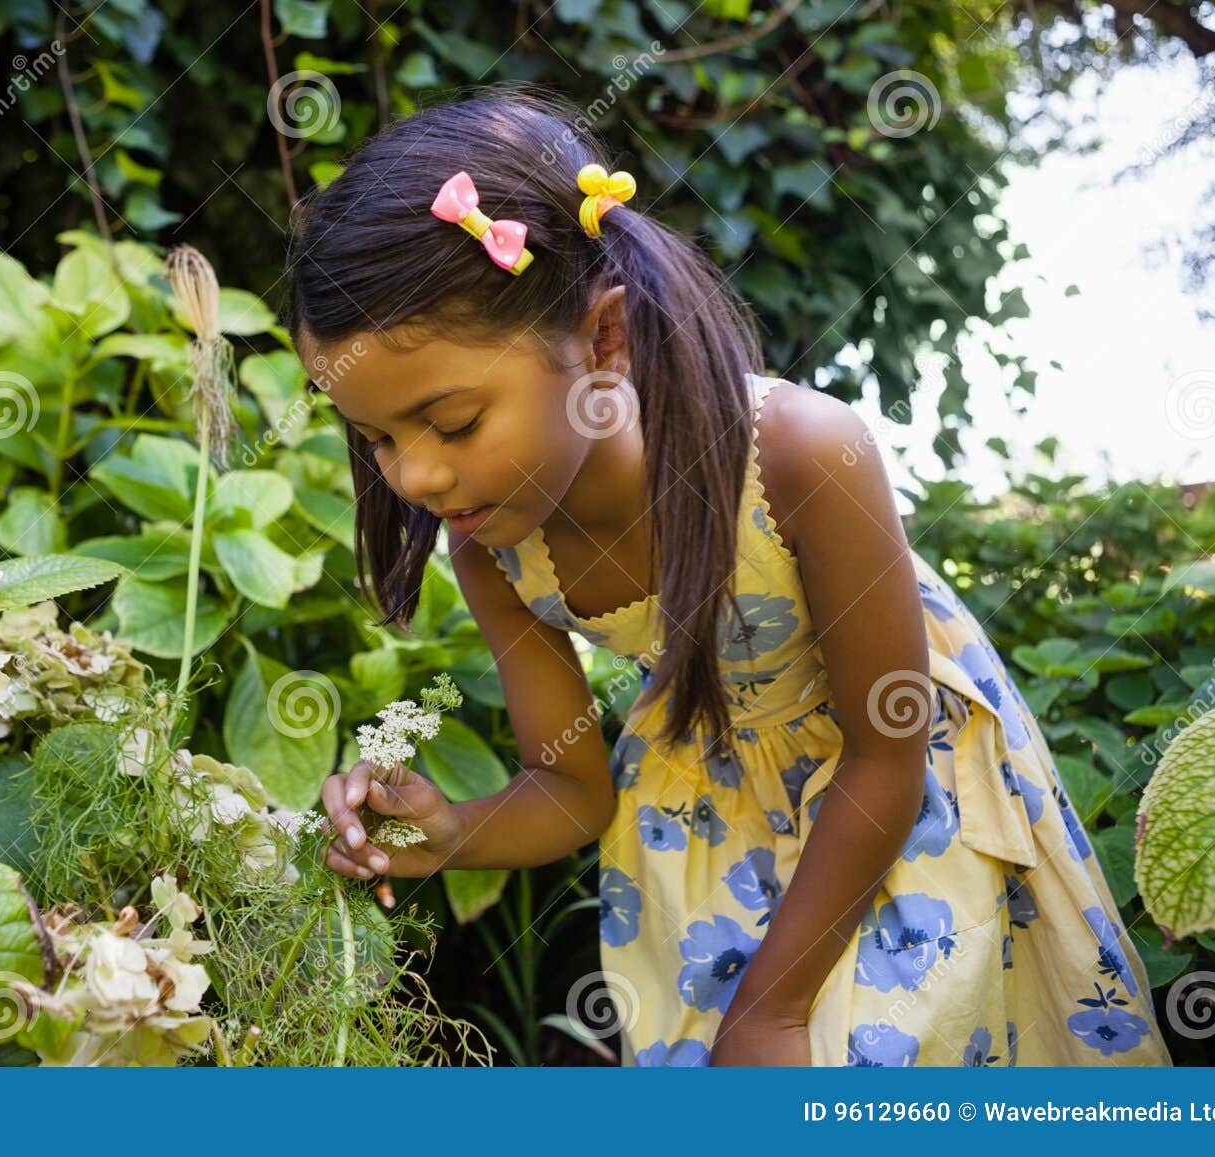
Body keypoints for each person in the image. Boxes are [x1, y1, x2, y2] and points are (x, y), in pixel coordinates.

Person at [284, 84, 1170, 1067]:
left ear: (604, 340)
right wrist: (453, 830)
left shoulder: (797, 454)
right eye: (377, 439)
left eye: (452, 423)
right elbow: (569, 787)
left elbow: (887, 753)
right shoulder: (493, 545)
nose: (414, 476)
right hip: (708, 843)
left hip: (897, 810)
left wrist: (772, 1007)